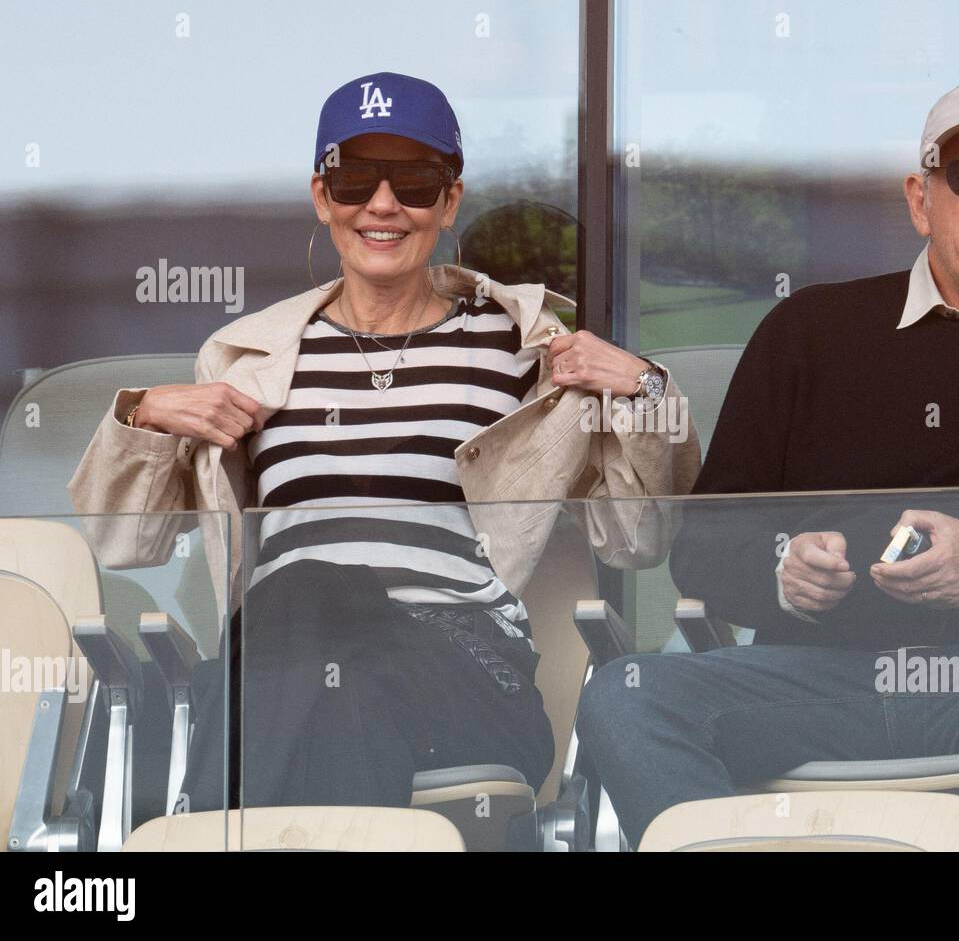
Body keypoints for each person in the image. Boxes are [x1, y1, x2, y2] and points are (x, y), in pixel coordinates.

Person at [577, 77, 959, 851]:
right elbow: (704, 545)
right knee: (623, 695)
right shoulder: (808, 329)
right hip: (819, 678)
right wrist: (784, 569)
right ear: (921, 198)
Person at [68, 72, 700, 810]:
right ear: (320, 196)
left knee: (298, 604)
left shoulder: (521, 350)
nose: (382, 204)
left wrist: (649, 392)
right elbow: (119, 542)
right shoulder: (249, 358)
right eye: (354, 180)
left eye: (415, 182)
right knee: (321, 660)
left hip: (464, 663)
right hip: (289, 662)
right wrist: (139, 418)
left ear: (451, 200)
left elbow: (637, 538)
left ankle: (206, 824)